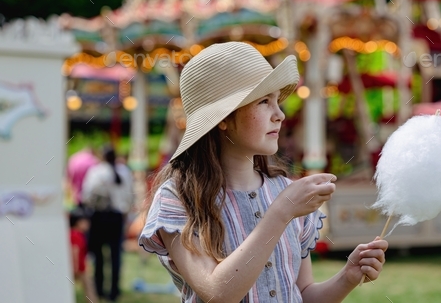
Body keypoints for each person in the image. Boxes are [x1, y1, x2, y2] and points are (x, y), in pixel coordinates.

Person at [138, 42, 388, 303]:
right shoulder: (179, 199)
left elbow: (302, 294)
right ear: (223, 118)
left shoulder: (284, 190)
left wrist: (347, 276)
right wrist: (280, 212)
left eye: (277, 101)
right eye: (264, 101)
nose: (279, 114)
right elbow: (218, 294)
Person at [82, 145, 134, 302]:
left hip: (99, 217)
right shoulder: (124, 171)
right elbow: (130, 196)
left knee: (98, 255)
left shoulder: (96, 171)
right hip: (117, 217)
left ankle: (99, 288)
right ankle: (114, 290)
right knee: (116, 255)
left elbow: (87, 195)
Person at [69, 207, 99, 303]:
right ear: (78, 222)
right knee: (89, 288)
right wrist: (76, 267)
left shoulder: (77, 234)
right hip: (78, 268)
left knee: (88, 286)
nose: (88, 224)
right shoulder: (76, 235)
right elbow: (75, 251)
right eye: (85, 222)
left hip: (81, 267)